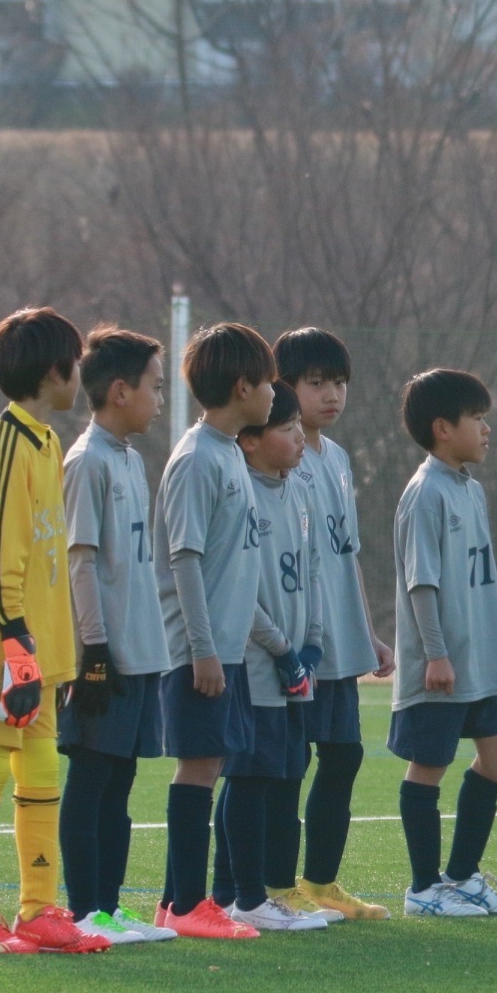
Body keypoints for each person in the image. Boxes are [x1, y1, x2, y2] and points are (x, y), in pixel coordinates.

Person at [0, 306, 106, 954]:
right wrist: (16, 641)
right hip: (2, 647)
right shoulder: (7, 441)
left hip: (38, 648)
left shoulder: (45, 441)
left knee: (39, 771)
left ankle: (38, 909)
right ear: (53, 371)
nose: (80, 377)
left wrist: (54, 651)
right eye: (76, 365)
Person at [154, 322, 277, 940]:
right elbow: (185, 560)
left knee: (211, 764)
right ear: (242, 387)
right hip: (199, 651)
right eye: (268, 382)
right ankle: (187, 906)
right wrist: (202, 649)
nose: (274, 393)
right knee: (198, 768)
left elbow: (233, 567)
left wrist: (260, 643)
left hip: (229, 649)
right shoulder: (198, 457)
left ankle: (172, 904)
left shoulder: (229, 452)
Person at [58, 326, 179, 945]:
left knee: (121, 784)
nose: (160, 400)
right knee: (92, 780)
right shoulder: (87, 461)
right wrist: (94, 650)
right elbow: (80, 562)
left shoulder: (130, 458)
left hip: (140, 651)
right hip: (104, 655)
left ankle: (108, 909)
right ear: (119, 391)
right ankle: (84, 912)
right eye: (154, 387)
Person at [390, 369, 497, 916]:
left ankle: (464, 876)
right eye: (477, 418)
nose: (487, 428)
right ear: (443, 428)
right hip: (442, 663)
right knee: (429, 765)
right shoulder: (425, 493)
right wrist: (436, 653)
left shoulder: (470, 488)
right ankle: (424, 889)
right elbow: (421, 582)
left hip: (476, 661)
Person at [276, 327, 395, 921]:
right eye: (317, 382)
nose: (331, 395)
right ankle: (274, 886)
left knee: (343, 756)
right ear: (284, 386)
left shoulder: (340, 459)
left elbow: (346, 556)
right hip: (300, 639)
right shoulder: (280, 459)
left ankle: (321, 882)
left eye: (339, 383)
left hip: (341, 641)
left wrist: (367, 632)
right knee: (288, 763)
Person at [212, 380, 329, 932]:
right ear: (251, 440)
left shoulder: (299, 491)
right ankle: (240, 895)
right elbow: (241, 590)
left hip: (293, 665)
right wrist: (282, 649)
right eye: (286, 428)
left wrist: (312, 642)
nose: (300, 437)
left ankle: (247, 894)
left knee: (280, 777)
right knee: (249, 777)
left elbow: (311, 572)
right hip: (256, 664)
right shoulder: (241, 493)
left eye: (299, 426)